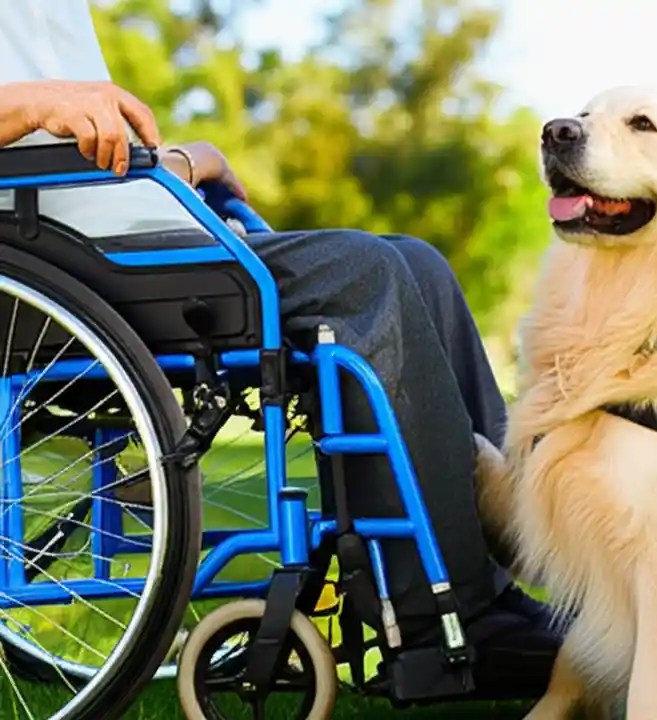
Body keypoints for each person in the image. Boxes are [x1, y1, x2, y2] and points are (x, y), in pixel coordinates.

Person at [0, 0, 557, 696]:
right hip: (54, 264)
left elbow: (82, 157)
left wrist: (175, 162)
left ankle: (534, 572)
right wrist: (32, 103)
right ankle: (449, 619)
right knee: (366, 274)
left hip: (106, 232)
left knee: (419, 265)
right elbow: (39, 133)